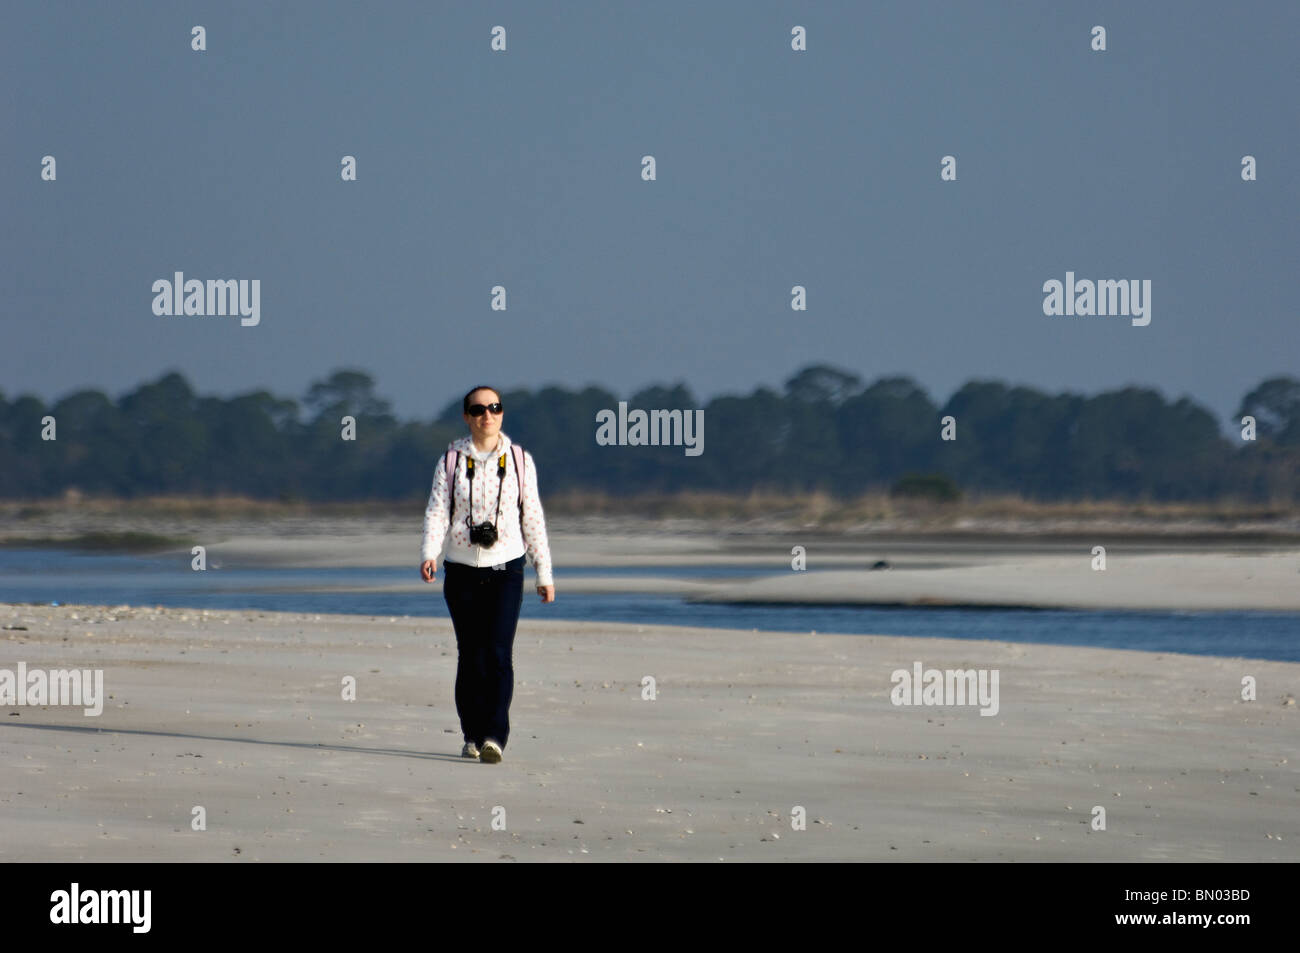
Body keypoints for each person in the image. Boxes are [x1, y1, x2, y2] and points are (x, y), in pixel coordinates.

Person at [420, 386, 555, 764]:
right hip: (460, 570)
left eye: (494, 408)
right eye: (478, 409)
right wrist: (430, 553)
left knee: (498, 654)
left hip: (506, 569)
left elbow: (533, 517)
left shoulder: (519, 460)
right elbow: (436, 512)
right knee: (471, 655)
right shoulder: (449, 460)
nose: (486, 416)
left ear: (501, 413)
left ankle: (495, 736)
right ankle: (471, 734)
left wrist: (544, 572)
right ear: (466, 416)